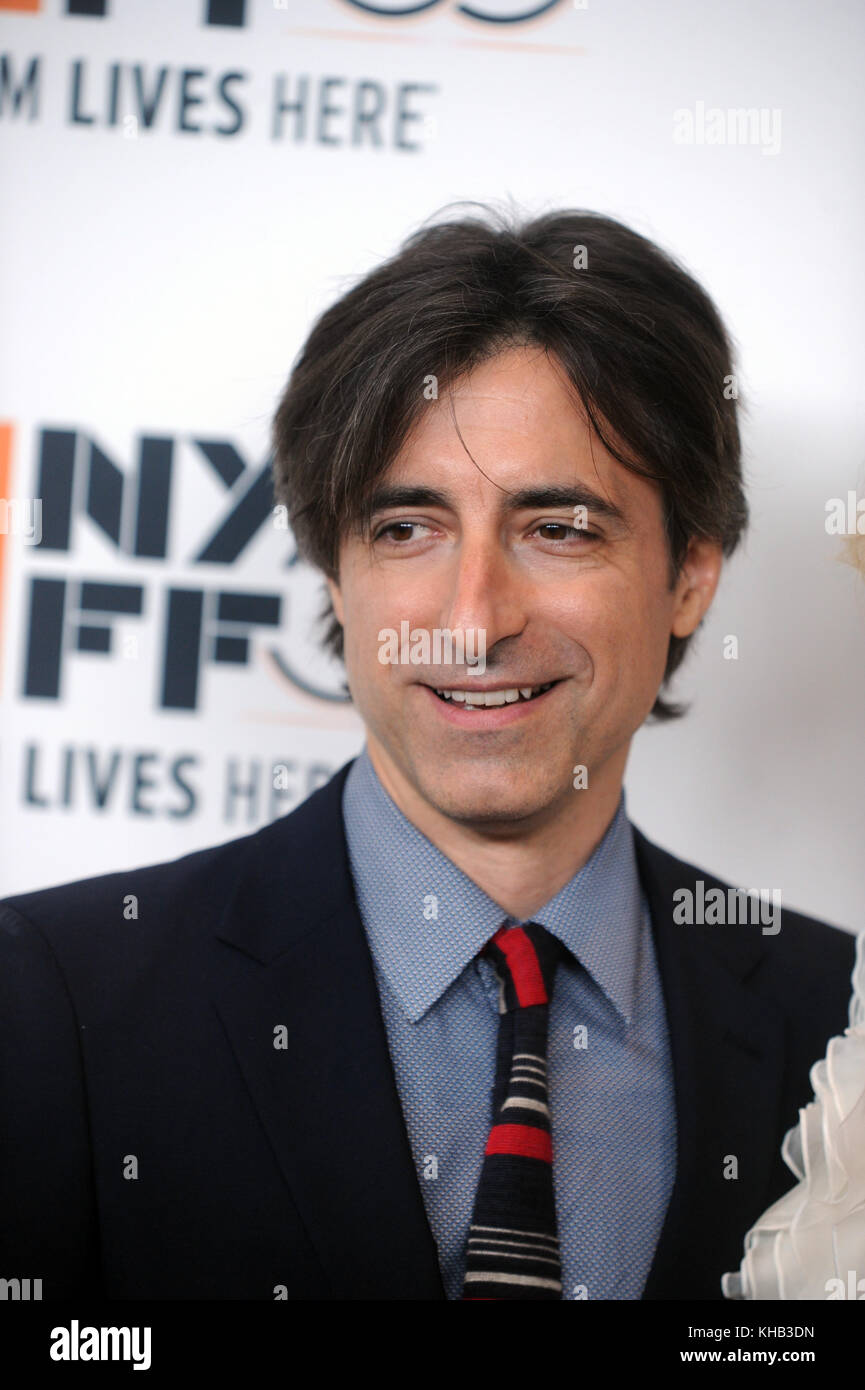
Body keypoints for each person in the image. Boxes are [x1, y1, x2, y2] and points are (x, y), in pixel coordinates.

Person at [0, 205, 854, 1301]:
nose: (472, 618)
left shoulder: (840, 1025)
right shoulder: (57, 1000)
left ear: (691, 574)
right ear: (333, 573)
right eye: (407, 527)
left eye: (559, 528)